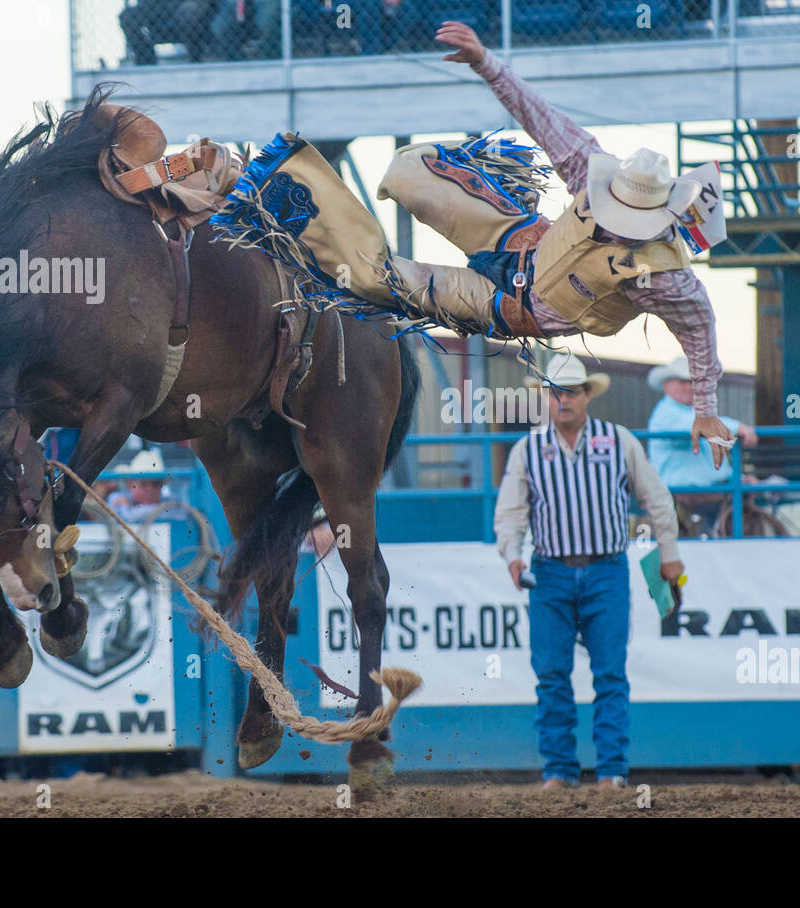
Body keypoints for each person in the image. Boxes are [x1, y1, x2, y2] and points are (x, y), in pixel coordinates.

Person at [212, 20, 735, 468]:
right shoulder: (592, 171)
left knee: (376, 277)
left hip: (508, 306)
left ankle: (273, 194)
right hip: (518, 239)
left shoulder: (666, 279)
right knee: (406, 170)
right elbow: (540, 116)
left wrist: (706, 410)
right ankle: (473, 178)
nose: (616, 223)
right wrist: (487, 62)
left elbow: (701, 331)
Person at [494, 353, 682, 791]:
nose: (563, 402)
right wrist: (512, 555)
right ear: (545, 398)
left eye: (571, 393)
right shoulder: (528, 450)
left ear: (586, 396)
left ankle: (611, 770)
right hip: (551, 570)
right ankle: (560, 769)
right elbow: (511, 512)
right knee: (552, 673)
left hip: (605, 569)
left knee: (609, 671)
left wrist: (669, 552)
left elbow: (656, 498)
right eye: (555, 393)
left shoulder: (618, 441)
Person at [646, 356, 757, 536]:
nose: (689, 387)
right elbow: (701, 425)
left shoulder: (690, 413)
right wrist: (738, 427)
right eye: (683, 382)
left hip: (708, 492)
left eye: (693, 382)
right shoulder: (667, 413)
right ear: (667, 385)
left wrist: (739, 477)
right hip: (686, 496)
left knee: (751, 493)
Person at [107, 449, 180, 523]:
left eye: (156, 484)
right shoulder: (117, 497)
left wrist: (126, 509)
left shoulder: (173, 504)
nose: (150, 489)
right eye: (143, 484)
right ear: (130, 484)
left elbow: (130, 517)